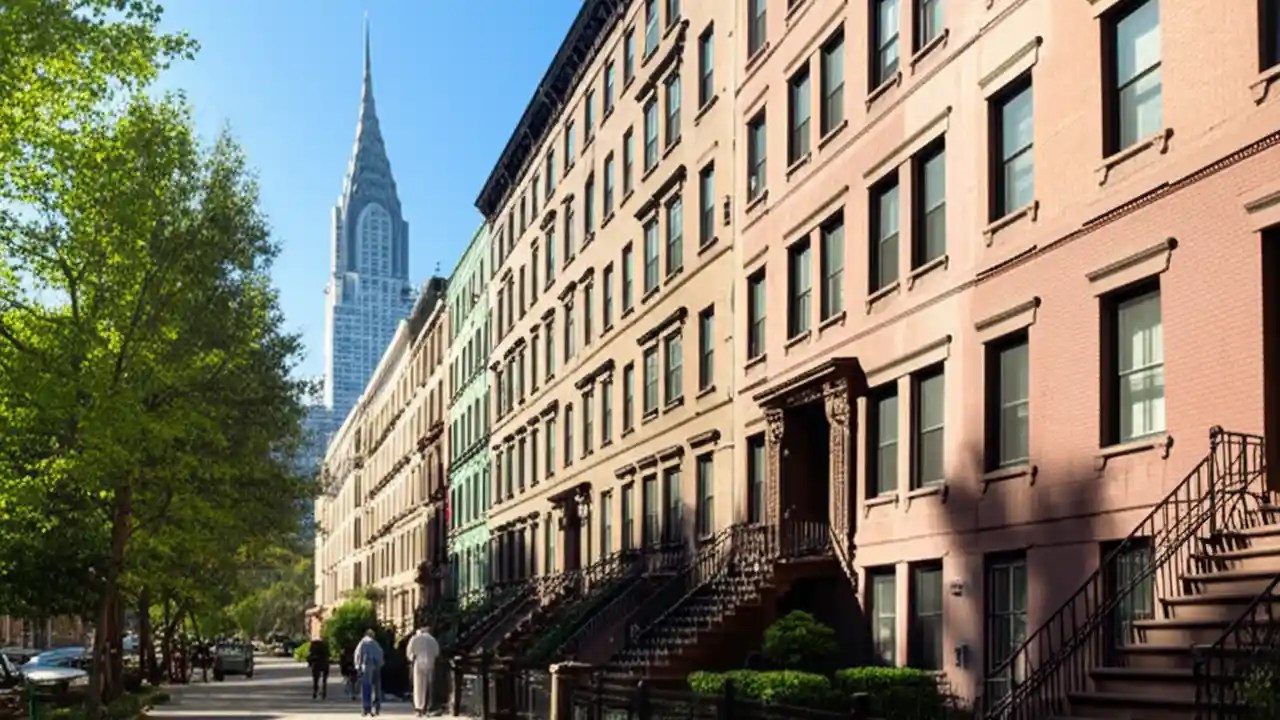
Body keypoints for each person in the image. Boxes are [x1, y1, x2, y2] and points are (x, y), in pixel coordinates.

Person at [405, 625, 440, 717]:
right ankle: (427, 705)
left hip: (418, 662)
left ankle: (419, 707)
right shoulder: (433, 640)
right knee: (429, 685)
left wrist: (412, 659)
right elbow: (437, 652)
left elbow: (409, 652)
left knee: (418, 685)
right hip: (430, 663)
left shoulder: (415, 638)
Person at [353, 629, 385, 717]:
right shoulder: (375, 644)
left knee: (365, 687)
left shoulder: (362, 643)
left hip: (365, 668)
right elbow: (380, 655)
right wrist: (379, 665)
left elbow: (357, 655)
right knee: (376, 688)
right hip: (375, 667)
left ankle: (365, 707)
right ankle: (375, 707)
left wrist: (358, 667)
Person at [307, 635, 331, 700]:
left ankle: (315, 691)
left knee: (315, 679)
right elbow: (329, 654)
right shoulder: (325, 646)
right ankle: (324, 691)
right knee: (324, 679)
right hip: (324, 663)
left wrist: (309, 663)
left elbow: (309, 655)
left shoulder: (313, 646)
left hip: (316, 663)